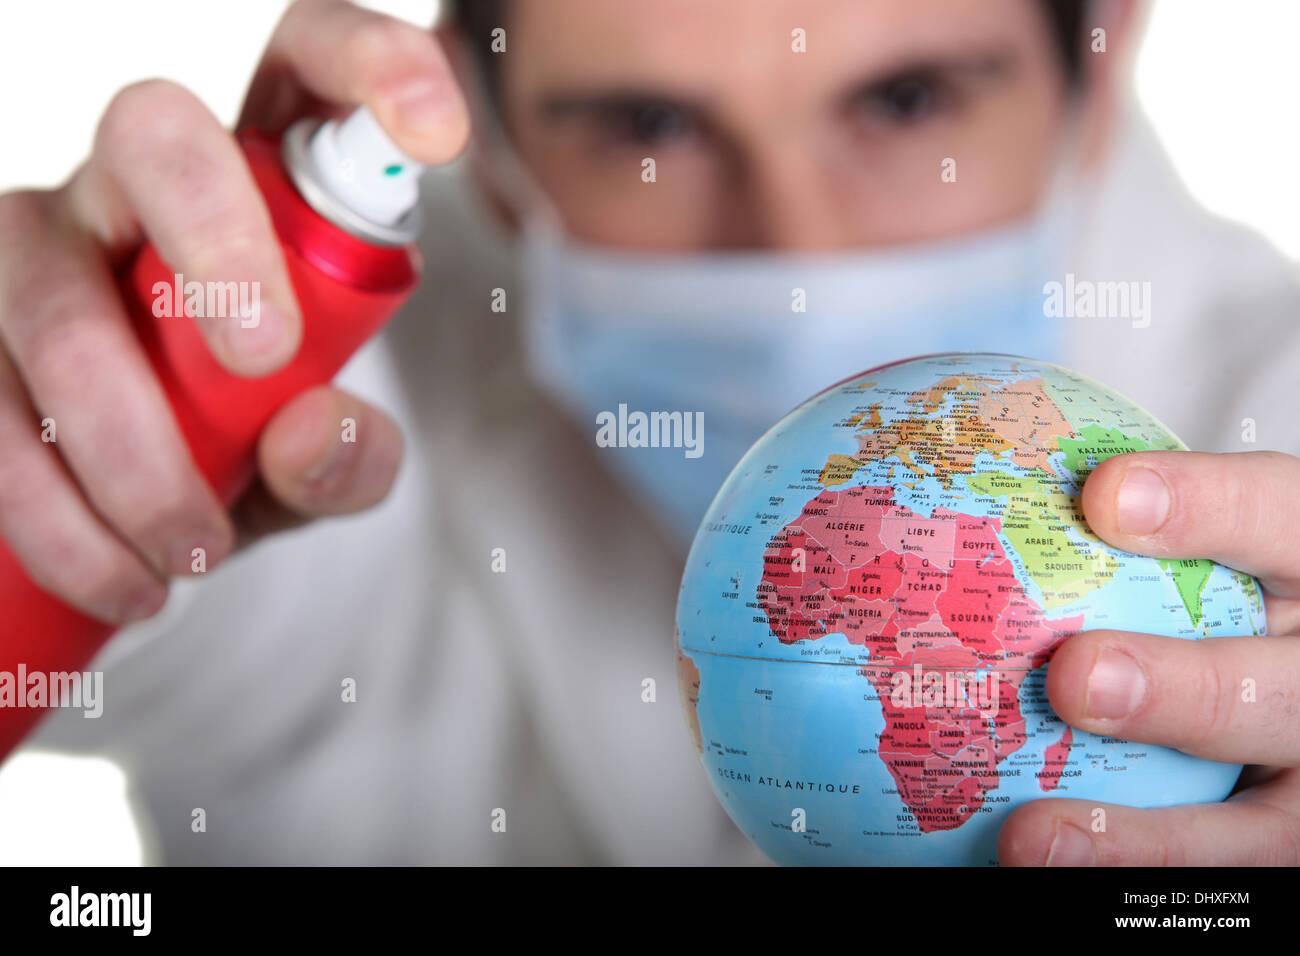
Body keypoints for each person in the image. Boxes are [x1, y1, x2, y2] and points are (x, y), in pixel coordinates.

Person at [0, 0, 1297, 865]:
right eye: (650, 129)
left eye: (908, 102)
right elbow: (173, 627)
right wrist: (95, 416)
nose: (800, 253)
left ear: (1106, 48)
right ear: (491, 146)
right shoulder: (331, 394)